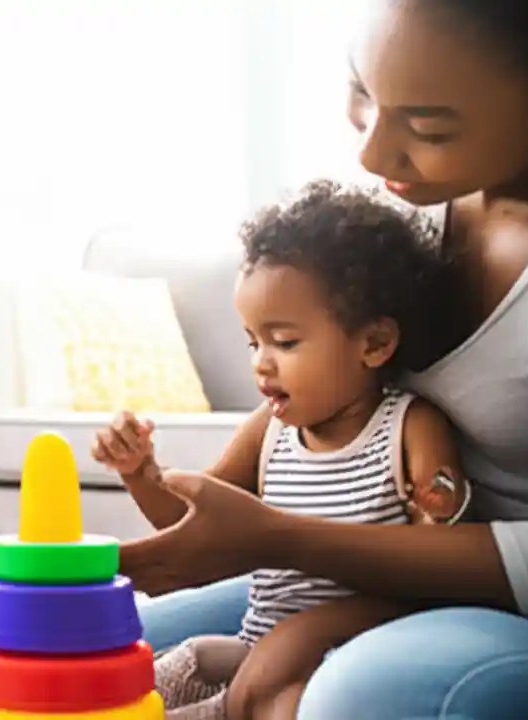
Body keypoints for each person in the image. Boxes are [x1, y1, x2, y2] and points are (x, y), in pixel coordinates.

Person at [121, 0, 528, 717]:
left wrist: (282, 538)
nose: (373, 156)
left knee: (351, 690)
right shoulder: (404, 220)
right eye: (364, 93)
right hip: (378, 580)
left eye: (428, 126)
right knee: (96, 648)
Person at [93, 179, 470, 720]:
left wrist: (310, 629)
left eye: (285, 342)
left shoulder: (408, 427)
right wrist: (140, 472)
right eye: (253, 341)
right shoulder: (266, 432)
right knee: (174, 664)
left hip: (346, 660)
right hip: (255, 647)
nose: (261, 363)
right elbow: (191, 525)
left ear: (374, 343)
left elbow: (439, 562)